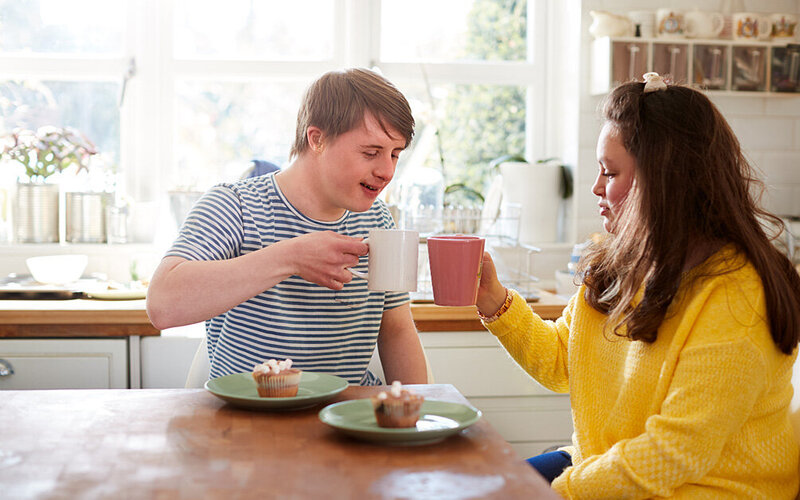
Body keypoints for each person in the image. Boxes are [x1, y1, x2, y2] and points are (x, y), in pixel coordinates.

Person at [475, 73, 800, 498]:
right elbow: (562, 362)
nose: (595, 188)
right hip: (617, 469)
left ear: (666, 182)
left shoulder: (738, 295)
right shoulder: (620, 265)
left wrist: (563, 490)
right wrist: (495, 302)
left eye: (609, 173)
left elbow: (675, 451)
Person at [146, 68, 428, 385]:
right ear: (317, 139)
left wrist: (417, 415)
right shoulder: (234, 206)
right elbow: (162, 306)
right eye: (371, 152)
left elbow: (397, 329)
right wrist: (290, 257)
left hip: (348, 415)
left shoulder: (377, 219)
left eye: (395, 154)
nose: (387, 170)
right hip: (252, 419)